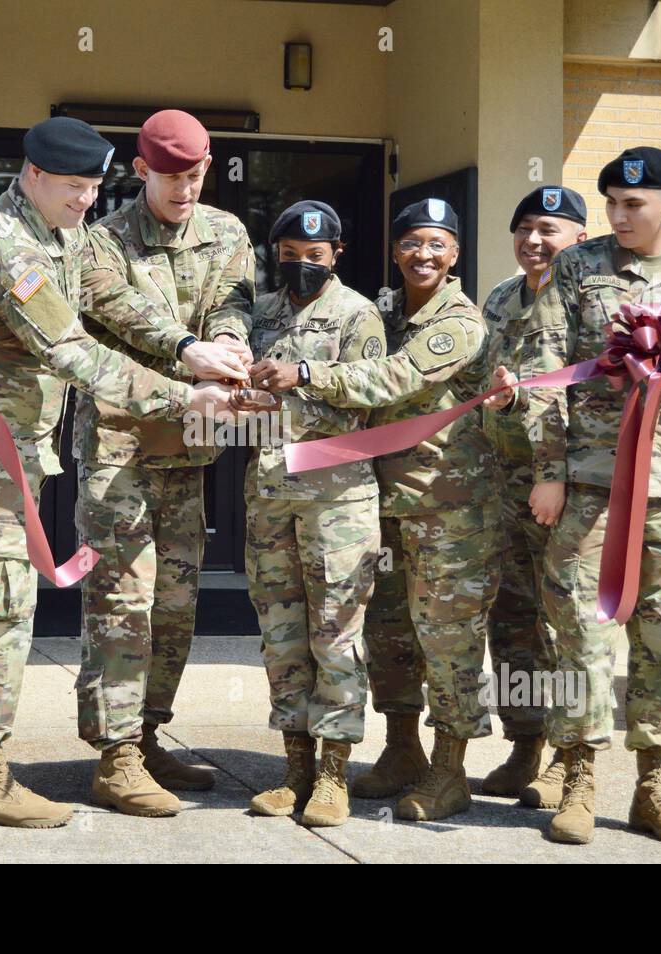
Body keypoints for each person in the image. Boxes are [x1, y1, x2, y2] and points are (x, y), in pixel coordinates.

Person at [0, 116, 237, 829]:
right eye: (74, 187)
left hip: (15, 449)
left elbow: (111, 299)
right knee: (0, 610)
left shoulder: (59, 232)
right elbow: (74, 353)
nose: (87, 201)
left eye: (94, 187)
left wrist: (184, 346)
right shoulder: (4, 250)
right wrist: (187, 395)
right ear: (34, 174)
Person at [248, 198, 511, 822]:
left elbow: (389, 381)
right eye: (412, 243)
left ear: (455, 253)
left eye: (437, 244)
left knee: (448, 637)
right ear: (394, 251)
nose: (424, 255)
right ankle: (401, 751)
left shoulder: (457, 321)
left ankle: (452, 769)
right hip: (384, 499)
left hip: (447, 502)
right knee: (389, 636)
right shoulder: (385, 308)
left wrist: (305, 373)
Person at [516, 147, 661, 845]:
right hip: (588, 486)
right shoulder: (577, 272)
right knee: (580, 635)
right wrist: (549, 470)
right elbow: (541, 371)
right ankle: (578, 778)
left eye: (635, 204)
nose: (620, 214)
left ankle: (655, 787)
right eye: (612, 201)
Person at [73, 109, 254, 816]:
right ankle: (114, 756)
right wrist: (188, 349)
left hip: (187, 448)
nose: (186, 189)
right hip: (121, 448)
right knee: (122, 603)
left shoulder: (226, 232)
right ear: (142, 169)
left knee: (175, 605)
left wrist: (231, 350)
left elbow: (234, 304)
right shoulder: (102, 241)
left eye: (197, 174)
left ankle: (147, 736)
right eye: (173, 177)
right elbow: (115, 310)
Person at [236, 201, 383, 827]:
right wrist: (242, 400)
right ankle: (293, 766)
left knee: (336, 632)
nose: (300, 266)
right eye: (289, 256)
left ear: (337, 255)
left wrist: (301, 376)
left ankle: (332, 774)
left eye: (314, 256)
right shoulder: (260, 315)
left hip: (338, 498)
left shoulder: (357, 314)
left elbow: (373, 394)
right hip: (270, 493)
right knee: (282, 633)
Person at [477, 186, 587, 807]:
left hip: (565, 486)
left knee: (565, 624)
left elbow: (591, 397)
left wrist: (560, 472)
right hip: (502, 484)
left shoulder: (590, 304)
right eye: (524, 228)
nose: (534, 241)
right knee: (512, 620)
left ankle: (569, 760)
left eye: (549, 228)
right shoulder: (500, 298)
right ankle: (526, 744)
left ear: (578, 235)